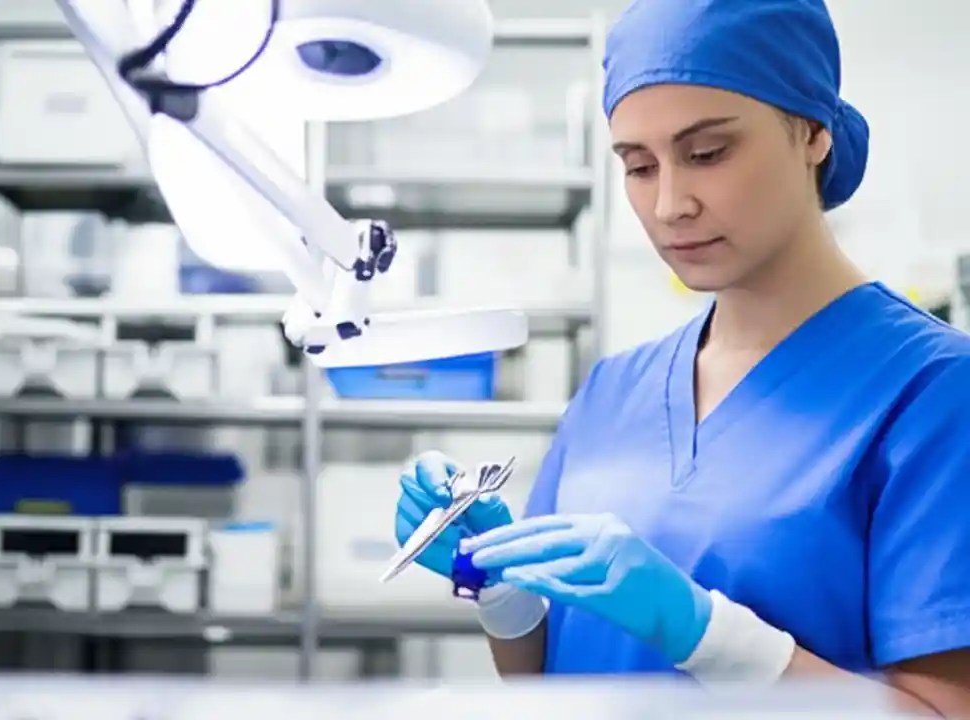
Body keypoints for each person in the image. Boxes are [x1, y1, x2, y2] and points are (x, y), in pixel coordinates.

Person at [393, 0, 970, 714]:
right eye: (638, 166)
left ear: (813, 132)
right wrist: (500, 589)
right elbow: (551, 679)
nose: (669, 204)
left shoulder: (934, 393)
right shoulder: (612, 392)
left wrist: (710, 637)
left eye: (707, 154)